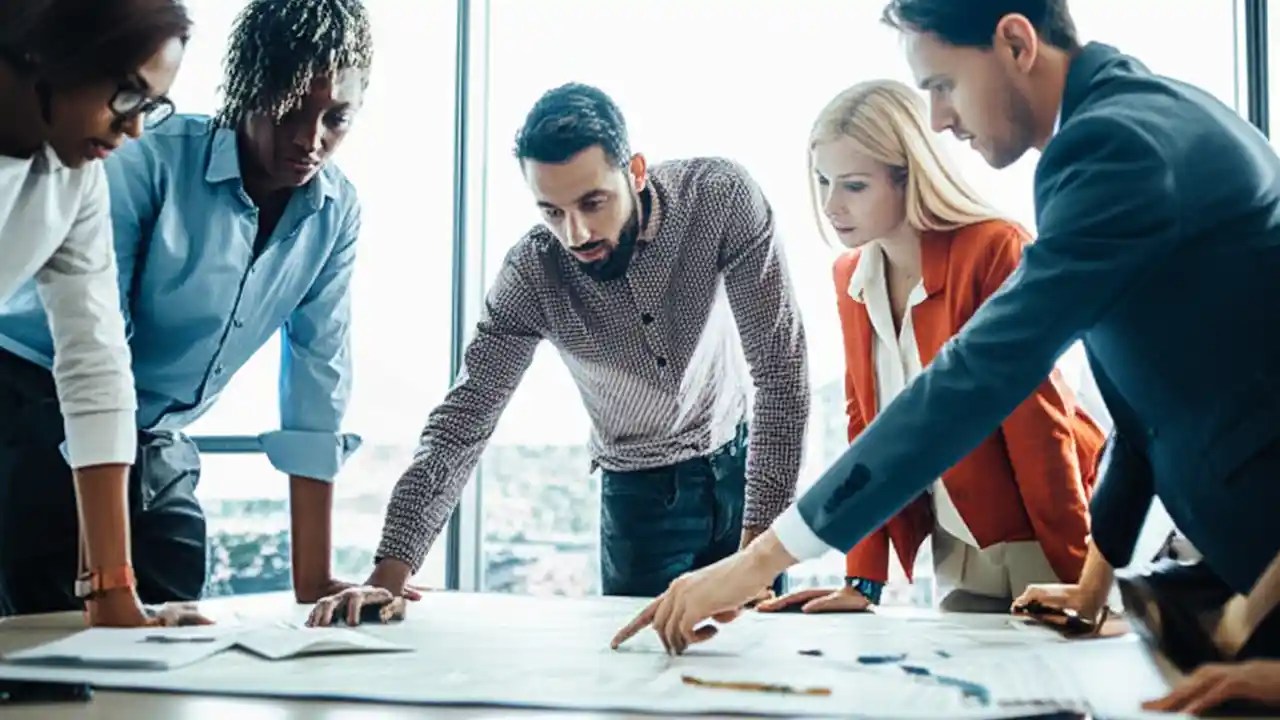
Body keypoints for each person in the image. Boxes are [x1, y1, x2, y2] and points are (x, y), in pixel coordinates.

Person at [612, 1, 1280, 712]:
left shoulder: (1116, 150)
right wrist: (1094, 582)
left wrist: (759, 560)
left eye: (942, 85)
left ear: (1015, 41)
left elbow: (977, 380)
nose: (937, 118)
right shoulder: (1122, 131)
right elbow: (1140, 410)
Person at [306, 82, 810, 626]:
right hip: (641, 501)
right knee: (646, 678)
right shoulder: (533, 273)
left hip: (746, 469)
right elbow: (463, 421)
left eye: (594, 202)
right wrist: (388, 577)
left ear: (635, 171)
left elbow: (780, 370)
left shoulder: (719, 198)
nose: (577, 233)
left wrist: (759, 552)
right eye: (552, 211)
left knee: (758, 666)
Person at [0, 0, 373, 616]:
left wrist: (315, 581)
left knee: (175, 583)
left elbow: (317, 381)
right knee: (50, 593)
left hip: (145, 422)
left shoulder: (334, 212)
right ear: (248, 89)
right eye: (289, 112)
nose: (310, 141)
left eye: (336, 118)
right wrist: (106, 590)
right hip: (28, 395)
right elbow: (93, 352)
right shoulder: (140, 161)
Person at [755, 79, 1103, 616]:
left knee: (1059, 693)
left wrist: (1080, 576)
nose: (830, 204)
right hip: (956, 545)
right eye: (823, 181)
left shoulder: (993, 248)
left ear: (907, 176)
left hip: (1045, 534)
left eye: (853, 186)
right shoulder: (851, 276)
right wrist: (862, 579)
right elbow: (866, 431)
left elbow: (1041, 426)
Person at [0, 0, 194, 627]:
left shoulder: (72, 178)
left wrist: (111, 593)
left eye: (150, 106)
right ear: (51, 53)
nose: (135, 129)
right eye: (128, 95)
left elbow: (95, 361)